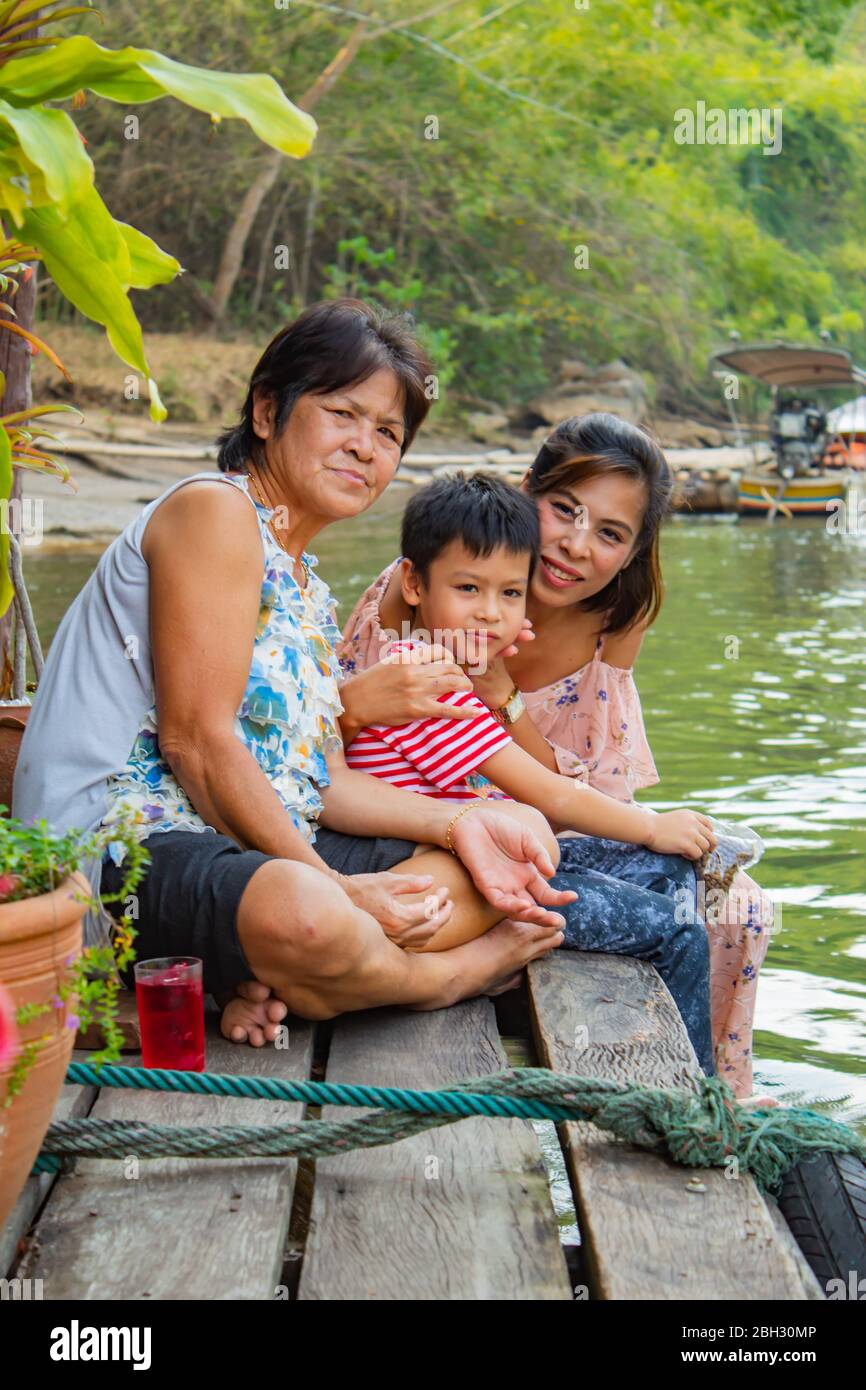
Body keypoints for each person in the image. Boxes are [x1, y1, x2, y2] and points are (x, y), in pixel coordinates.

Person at [13, 300, 576, 1046]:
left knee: (519, 834)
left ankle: (301, 973)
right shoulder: (212, 514)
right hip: (122, 849)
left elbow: (318, 782)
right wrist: (339, 890)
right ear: (268, 410)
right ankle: (434, 978)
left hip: (251, 840)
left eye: (388, 433)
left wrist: (461, 821)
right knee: (304, 913)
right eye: (343, 413)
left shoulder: (305, 585)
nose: (365, 447)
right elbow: (196, 746)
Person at [337, 416, 773, 1095]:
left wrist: (505, 695)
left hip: (517, 836)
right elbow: (547, 792)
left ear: (631, 553)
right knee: (679, 924)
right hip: (450, 859)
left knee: (726, 900)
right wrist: (658, 826)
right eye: (564, 510)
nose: (574, 544)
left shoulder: (599, 624)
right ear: (527, 492)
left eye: (609, 532)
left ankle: (724, 1085)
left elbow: (573, 794)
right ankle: (695, 1102)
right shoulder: (429, 671)